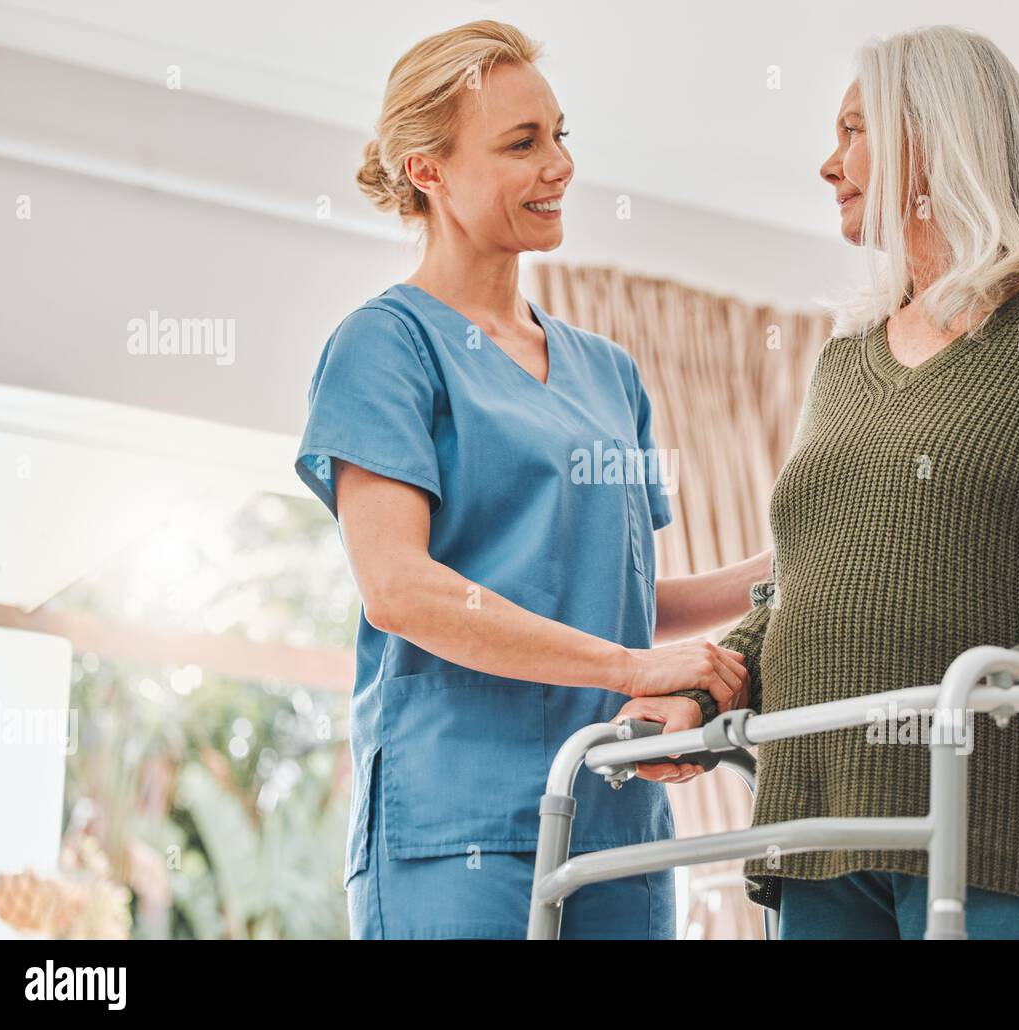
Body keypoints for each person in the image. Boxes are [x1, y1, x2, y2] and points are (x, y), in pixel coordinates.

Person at [630, 24, 1019, 940]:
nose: (827, 164)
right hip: (818, 823)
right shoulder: (844, 361)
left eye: (854, 132)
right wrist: (721, 679)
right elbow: (810, 585)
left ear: (937, 134)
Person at [295, 20, 762, 939]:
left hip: (619, 814)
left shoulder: (608, 373)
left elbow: (619, 595)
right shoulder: (386, 348)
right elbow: (400, 590)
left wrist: (793, 562)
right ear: (428, 171)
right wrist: (632, 667)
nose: (561, 165)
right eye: (522, 143)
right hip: (458, 833)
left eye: (560, 135)